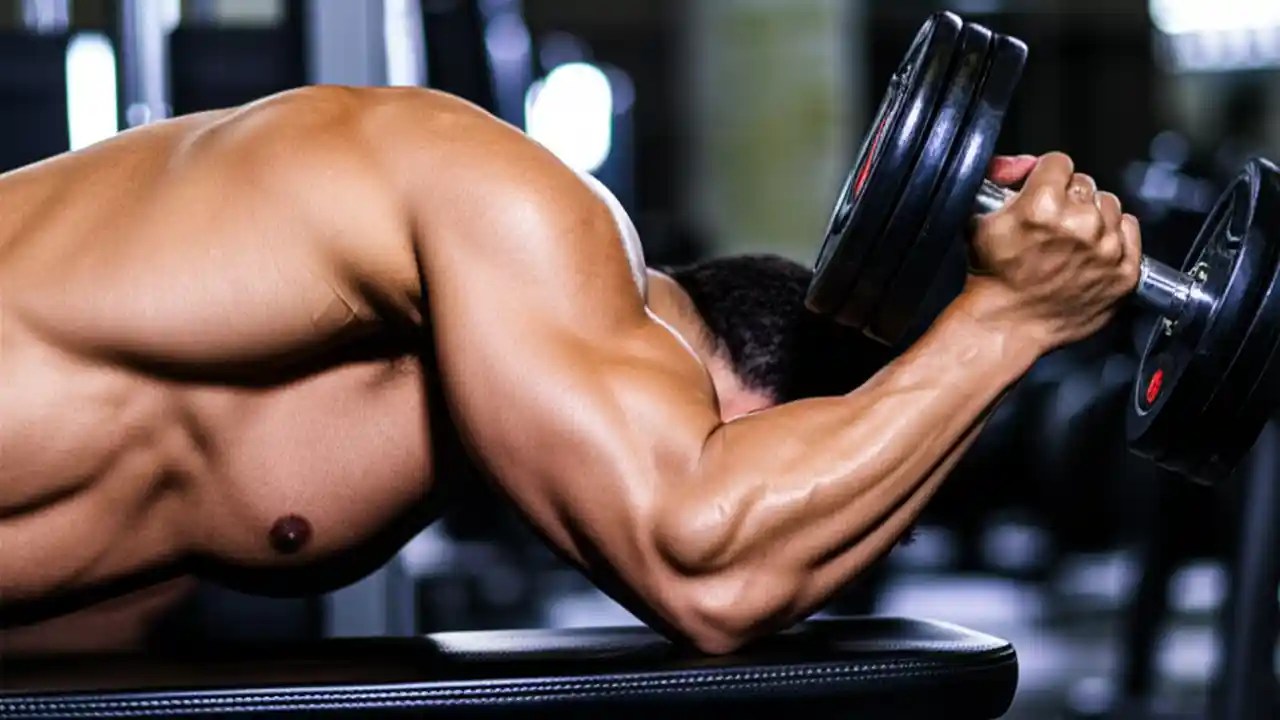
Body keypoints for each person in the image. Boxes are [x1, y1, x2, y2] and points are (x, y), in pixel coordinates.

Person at [0, 86, 1140, 654]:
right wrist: (1010, 319)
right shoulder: (516, 202)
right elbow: (708, 561)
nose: (805, 566)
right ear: (744, 403)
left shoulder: (399, 447)